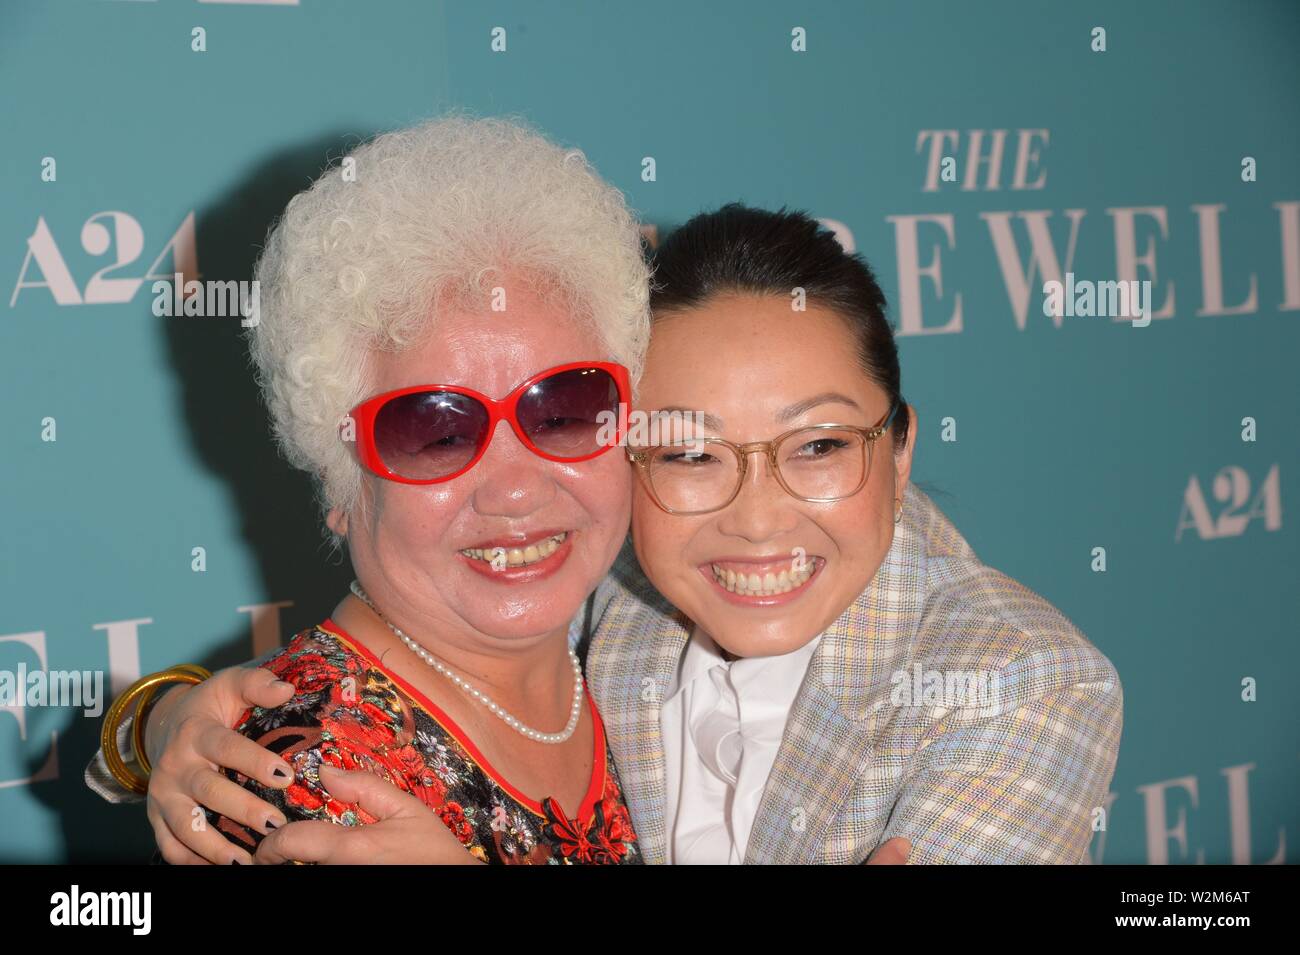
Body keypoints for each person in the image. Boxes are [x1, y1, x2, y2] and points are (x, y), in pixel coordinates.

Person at [91, 199, 1120, 864]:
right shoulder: (607, 586)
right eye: (686, 451)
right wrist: (161, 724)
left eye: (816, 446)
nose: (756, 518)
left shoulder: (1022, 683)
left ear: (895, 451)